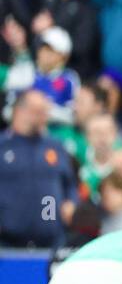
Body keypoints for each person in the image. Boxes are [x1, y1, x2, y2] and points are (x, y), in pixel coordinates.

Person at [0, 90, 79, 248]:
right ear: (19, 111)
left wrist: (71, 202)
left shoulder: (55, 147)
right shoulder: (3, 146)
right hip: (7, 242)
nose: (44, 117)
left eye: (45, 111)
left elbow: (70, 184)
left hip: (51, 241)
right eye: (38, 112)